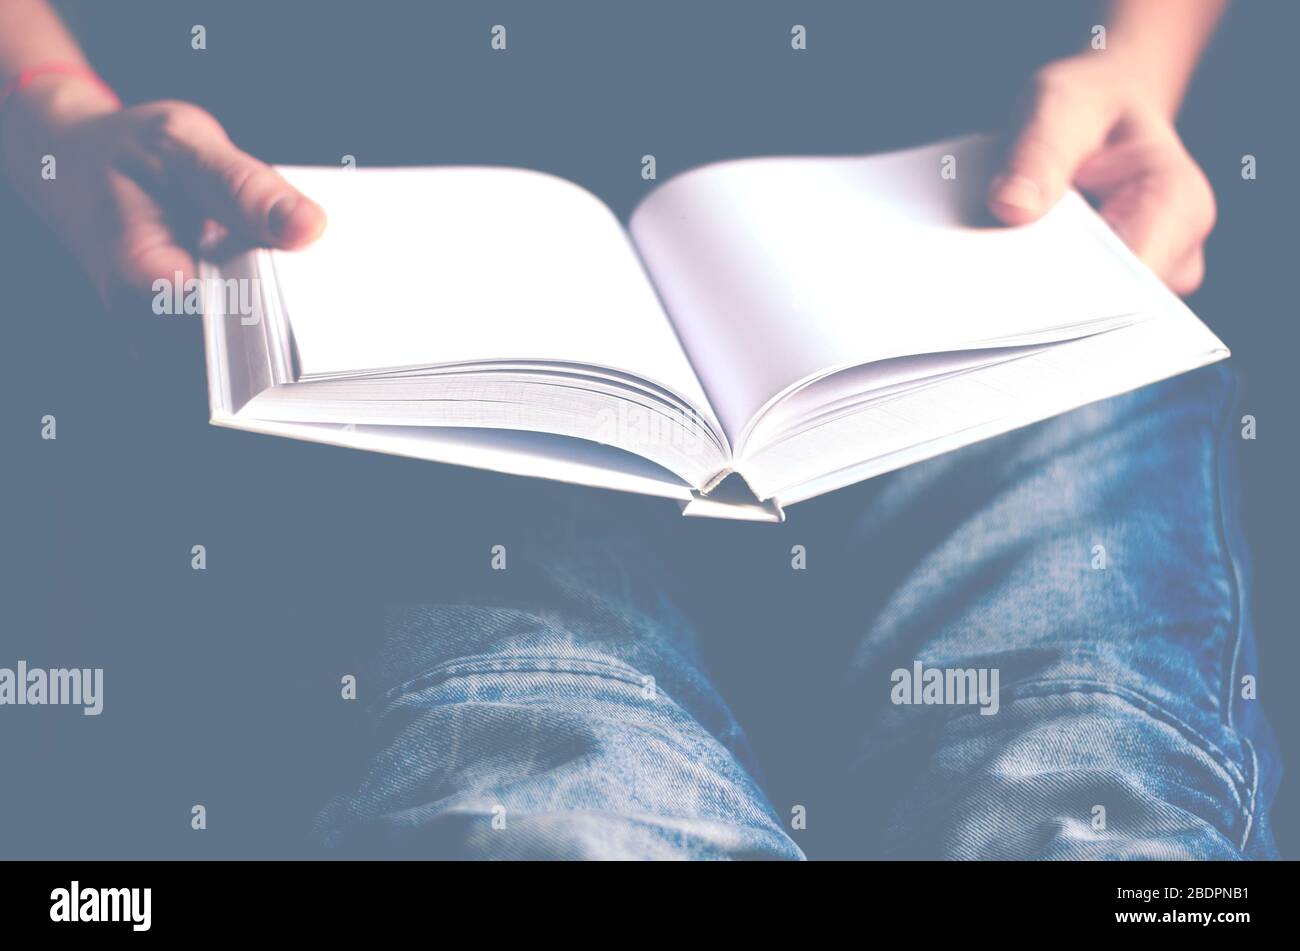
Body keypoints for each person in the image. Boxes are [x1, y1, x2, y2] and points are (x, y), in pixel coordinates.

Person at [0, 0, 1279, 858]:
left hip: (973, 219)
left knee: (1087, 789)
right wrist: (50, 108)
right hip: (377, 264)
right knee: (547, 786)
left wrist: (1134, 60)